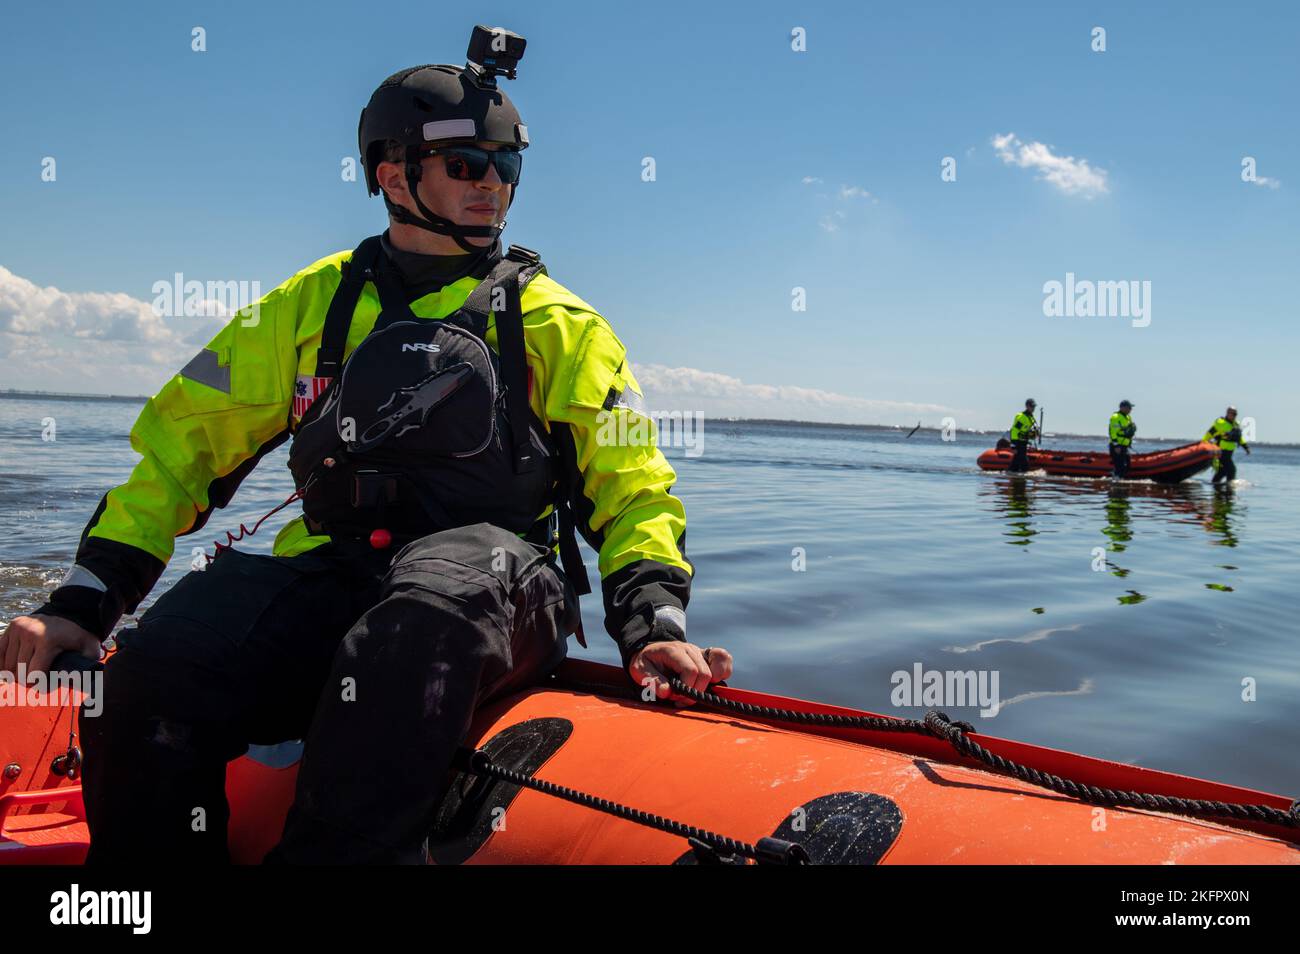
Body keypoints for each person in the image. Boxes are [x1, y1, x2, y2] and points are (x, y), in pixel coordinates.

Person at [0, 26, 732, 864]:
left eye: (507, 164)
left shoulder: (560, 324)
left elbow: (632, 482)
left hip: (495, 581)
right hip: (338, 568)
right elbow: (181, 450)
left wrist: (651, 622)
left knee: (410, 628)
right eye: (467, 163)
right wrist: (81, 604)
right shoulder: (310, 304)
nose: (492, 183)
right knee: (148, 676)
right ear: (392, 174)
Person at [1202, 406, 1250, 484]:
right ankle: (1230, 488)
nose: (1234, 415)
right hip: (1221, 451)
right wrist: (1203, 442)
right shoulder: (1220, 423)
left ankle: (1215, 484)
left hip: (1230, 452)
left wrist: (1246, 447)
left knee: (1223, 471)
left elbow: (1239, 438)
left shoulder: (1236, 424)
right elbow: (1210, 433)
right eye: (1233, 414)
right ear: (1228, 413)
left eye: (1235, 414)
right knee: (1232, 469)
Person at [1007, 398, 1039, 473]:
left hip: (1024, 442)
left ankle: (1011, 473)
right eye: (1032, 406)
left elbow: (1028, 430)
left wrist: (1033, 434)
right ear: (1027, 406)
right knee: (1024, 462)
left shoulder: (1030, 417)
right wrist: (1013, 445)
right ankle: (1024, 475)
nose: (1033, 408)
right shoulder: (1022, 417)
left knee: (1016, 462)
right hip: (1018, 443)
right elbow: (1015, 430)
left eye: (1034, 407)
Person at [1108, 400, 1136, 478]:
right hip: (1117, 446)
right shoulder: (1115, 417)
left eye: (1131, 408)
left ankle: (1116, 476)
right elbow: (1112, 432)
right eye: (1129, 407)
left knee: (1127, 466)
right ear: (1122, 408)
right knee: (1120, 467)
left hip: (1124, 446)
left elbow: (1128, 431)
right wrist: (1116, 445)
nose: (1130, 409)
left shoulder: (1128, 417)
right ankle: (1115, 482)